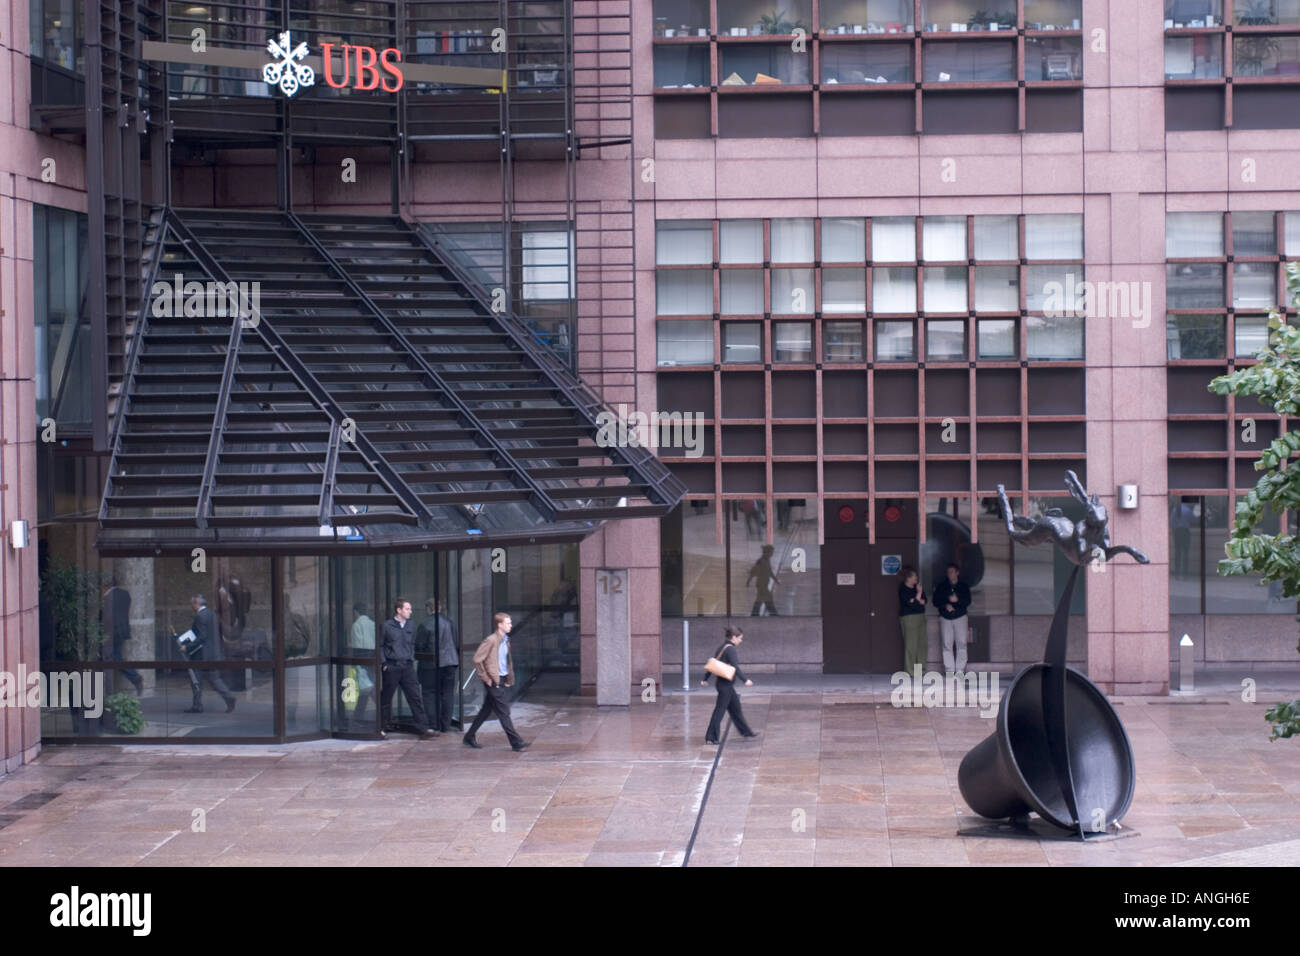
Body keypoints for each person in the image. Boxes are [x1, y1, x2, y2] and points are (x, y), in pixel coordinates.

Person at [464, 612, 528, 751]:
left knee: (486, 710)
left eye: (510, 622)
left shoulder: (506, 640)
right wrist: (485, 677)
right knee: (504, 711)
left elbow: (506, 662)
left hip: (501, 679)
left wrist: (508, 678)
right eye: (508, 623)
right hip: (493, 681)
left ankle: (469, 736)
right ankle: (516, 742)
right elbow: (477, 659)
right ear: (500, 625)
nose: (510, 625)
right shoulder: (491, 640)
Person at [379, 598, 439, 739]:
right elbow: (380, 646)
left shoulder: (411, 625)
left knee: (415, 697)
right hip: (392, 666)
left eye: (410, 609)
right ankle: (382, 727)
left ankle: (423, 729)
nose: (410, 611)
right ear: (399, 610)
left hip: (407, 667)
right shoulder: (387, 626)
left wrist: (411, 657)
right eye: (407, 609)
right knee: (386, 698)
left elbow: (412, 644)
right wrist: (384, 664)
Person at [701, 626, 758, 744]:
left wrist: (705, 679)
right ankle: (711, 737)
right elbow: (735, 666)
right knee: (719, 711)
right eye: (740, 638)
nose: (741, 641)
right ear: (734, 637)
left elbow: (713, 663)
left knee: (736, 709)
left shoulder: (721, 647)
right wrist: (745, 680)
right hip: (725, 686)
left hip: (724, 685)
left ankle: (746, 732)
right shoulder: (730, 649)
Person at [183, 595, 236, 714]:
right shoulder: (212, 614)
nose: (191, 606)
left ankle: (197, 706)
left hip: (201, 655)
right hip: (213, 653)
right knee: (214, 679)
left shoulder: (200, 616)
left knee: (195, 679)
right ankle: (229, 697)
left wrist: (187, 646)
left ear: (196, 603)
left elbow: (202, 637)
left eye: (191, 603)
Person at [416, 599, 460, 733]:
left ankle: (433, 724)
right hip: (450, 663)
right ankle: (445, 725)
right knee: (447, 694)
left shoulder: (425, 624)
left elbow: (419, 646)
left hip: (431, 664)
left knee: (429, 693)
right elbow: (456, 643)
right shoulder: (450, 623)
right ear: (440, 609)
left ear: (428, 609)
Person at [101, 582, 143, 696]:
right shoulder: (125, 594)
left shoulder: (108, 597)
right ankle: (134, 678)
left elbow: (108, 617)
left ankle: (134, 677)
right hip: (122, 632)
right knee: (115, 657)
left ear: (105, 585)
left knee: (112, 659)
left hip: (111, 633)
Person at [932, 563, 972, 675]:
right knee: (946, 644)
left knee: (962, 643)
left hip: (960, 617)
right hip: (946, 617)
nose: (950, 574)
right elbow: (935, 601)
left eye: (952, 572)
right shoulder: (941, 586)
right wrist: (945, 605)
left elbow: (968, 601)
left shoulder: (963, 586)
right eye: (948, 572)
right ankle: (949, 670)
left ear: (957, 573)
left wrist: (957, 601)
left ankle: (960, 669)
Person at [346, 602, 376, 729]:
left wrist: (356, 664)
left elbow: (357, 646)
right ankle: (358, 716)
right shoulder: (372, 624)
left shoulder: (356, 625)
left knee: (367, 690)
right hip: (372, 660)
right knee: (367, 690)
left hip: (362, 661)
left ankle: (379, 713)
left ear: (356, 612)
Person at [898, 567, 927, 674]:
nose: (916, 578)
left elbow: (924, 601)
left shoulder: (917, 587)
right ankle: (910, 671)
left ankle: (921, 670)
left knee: (922, 644)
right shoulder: (903, 589)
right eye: (914, 576)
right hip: (909, 618)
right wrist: (918, 595)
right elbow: (912, 604)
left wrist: (918, 598)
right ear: (908, 578)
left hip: (921, 616)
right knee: (911, 645)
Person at [747, 545, 780, 616]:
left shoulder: (767, 561)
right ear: (766, 553)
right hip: (761, 585)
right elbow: (753, 571)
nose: (772, 554)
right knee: (767, 597)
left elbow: (770, 572)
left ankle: (755, 613)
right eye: (771, 553)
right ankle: (773, 613)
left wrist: (775, 580)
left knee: (760, 599)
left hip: (764, 584)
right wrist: (748, 581)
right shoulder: (760, 561)